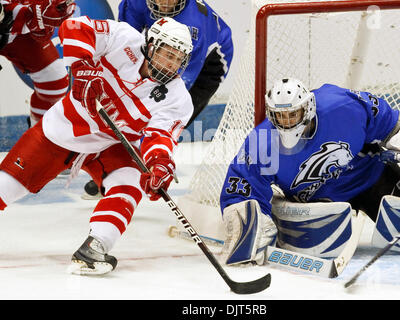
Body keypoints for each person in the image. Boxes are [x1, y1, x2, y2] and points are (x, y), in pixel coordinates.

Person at [0, 15, 194, 275]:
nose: (171, 65)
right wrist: (81, 69)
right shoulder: (123, 38)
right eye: (166, 55)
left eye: (178, 59)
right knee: (6, 188)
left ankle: (95, 246)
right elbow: (74, 27)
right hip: (61, 130)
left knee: (132, 179)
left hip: (110, 143)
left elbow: (159, 137)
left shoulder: (178, 99)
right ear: (150, 46)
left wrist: (159, 165)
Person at [219, 78, 400, 266]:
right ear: (271, 114)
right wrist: (246, 222)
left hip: (370, 177)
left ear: (307, 107)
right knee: (319, 248)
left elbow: (386, 123)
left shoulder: (340, 106)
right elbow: (241, 184)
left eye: (293, 114)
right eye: (281, 116)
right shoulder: (262, 142)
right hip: (317, 203)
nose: (287, 122)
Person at [80, 0, 234, 198]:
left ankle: (156, 165)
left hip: (209, 62)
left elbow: (175, 85)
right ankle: (117, 170)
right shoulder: (134, 3)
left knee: (167, 118)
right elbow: (125, 45)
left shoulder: (194, 25)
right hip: (162, 50)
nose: (165, 3)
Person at [0, 0, 75, 126]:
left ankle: (38, 133)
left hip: (12, 24)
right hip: (10, 18)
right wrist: (31, 16)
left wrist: (39, 14)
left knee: (53, 79)